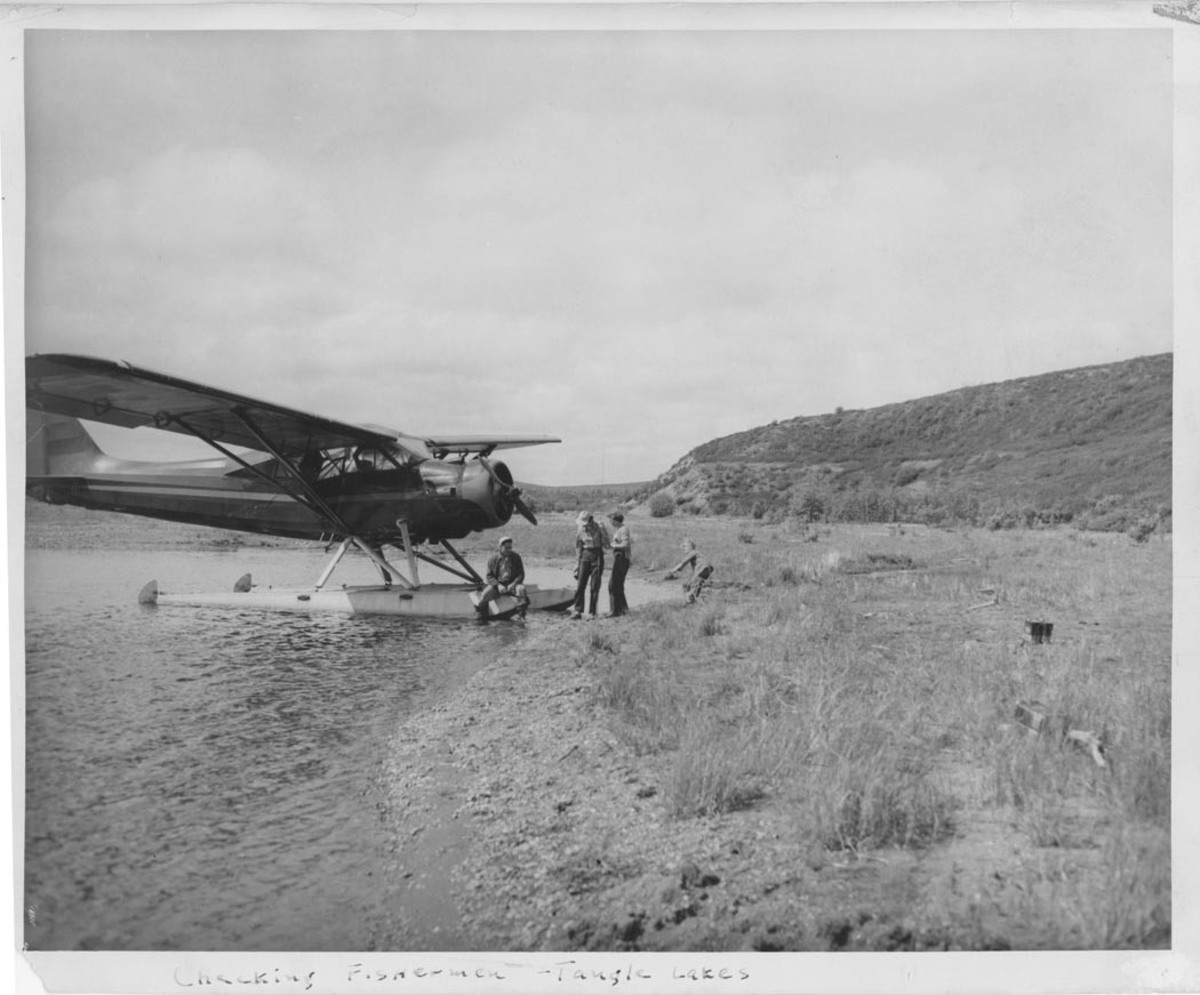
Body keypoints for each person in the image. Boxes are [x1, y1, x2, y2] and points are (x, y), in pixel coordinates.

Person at [475, 535, 530, 620]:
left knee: (522, 590)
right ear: (500, 547)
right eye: (506, 548)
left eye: (510, 548)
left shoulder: (516, 557)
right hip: (498, 585)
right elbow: (489, 576)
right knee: (484, 596)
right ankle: (483, 619)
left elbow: (521, 574)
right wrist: (498, 585)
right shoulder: (492, 559)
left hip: (512, 584)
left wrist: (514, 584)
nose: (509, 550)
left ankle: (522, 616)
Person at [570, 511, 608, 619]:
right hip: (585, 555)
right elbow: (578, 546)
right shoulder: (580, 529)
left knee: (594, 586)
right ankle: (578, 610)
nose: (584, 525)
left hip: (597, 554)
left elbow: (607, 543)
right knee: (580, 584)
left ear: (591, 520)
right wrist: (577, 564)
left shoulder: (599, 527)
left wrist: (603, 530)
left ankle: (592, 612)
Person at [664, 538, 713, 604]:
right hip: (707, 570)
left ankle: (690, 600)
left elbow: (682, 563)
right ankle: (695, 599)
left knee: (690, 585)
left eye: (685, 546)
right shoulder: (697, 553)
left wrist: (672, 571)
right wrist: (678, 570)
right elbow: (682, 566)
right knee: (697, 584)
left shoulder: (692, 552)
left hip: (702, 568)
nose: (683, 548)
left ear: (691, 547)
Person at [606, 511, 632, 617]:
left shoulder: (623, 530)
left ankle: (615, 611)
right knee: (617, 585)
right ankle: (623, 610)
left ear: (616, 520)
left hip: (622, 558)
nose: (610, 521)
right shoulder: (619, 530)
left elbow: (625, 544)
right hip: (620, 558)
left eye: (611, 519)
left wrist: (614, 546)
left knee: (613, 585)